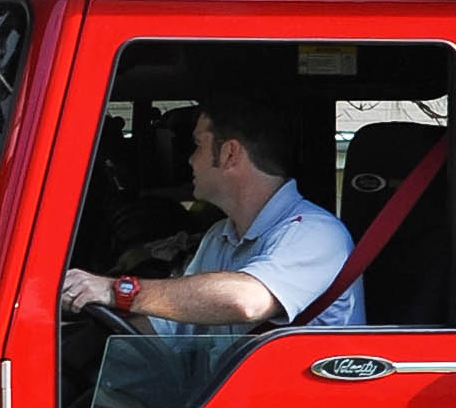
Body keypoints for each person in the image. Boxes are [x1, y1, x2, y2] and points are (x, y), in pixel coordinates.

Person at [60, 93, 358, 333]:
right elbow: (172, 327)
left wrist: (118, 291)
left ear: (229, 154)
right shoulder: (220, 237)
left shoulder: (314, 233)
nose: (189, 160)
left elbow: (246, 301)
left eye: (198, 145)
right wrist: (82, 331)